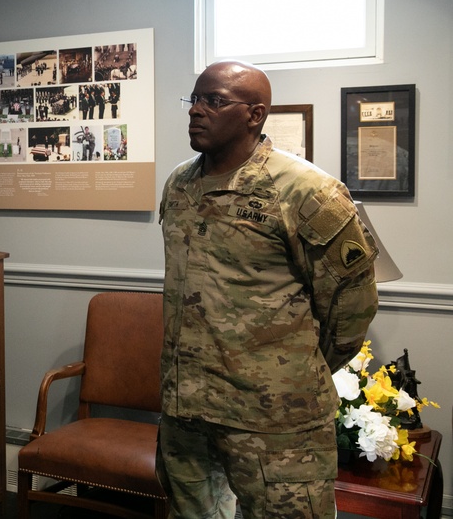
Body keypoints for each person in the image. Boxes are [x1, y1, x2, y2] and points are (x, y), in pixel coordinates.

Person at [157, 60, 379, 519]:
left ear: (254, 114)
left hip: (275, 423)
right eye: (193, 99)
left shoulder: (306, 192)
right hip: (187, 411)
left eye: (214, 101)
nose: (197, 110)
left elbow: (351, 309)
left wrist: (284, 373)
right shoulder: (180, 183)